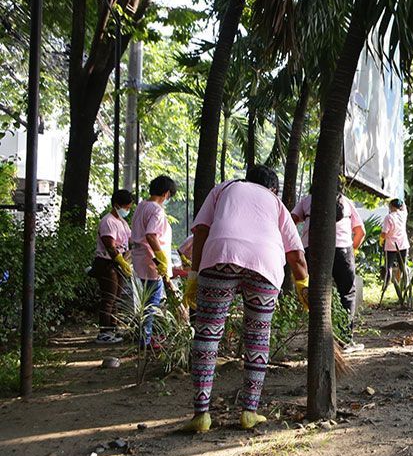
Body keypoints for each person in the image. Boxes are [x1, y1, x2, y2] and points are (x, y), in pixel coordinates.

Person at [180, 166, 309, 433]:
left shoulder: (225, 188)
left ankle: (201, 415)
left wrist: (194, 275)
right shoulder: (275, 202)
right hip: (265, 262)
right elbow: (295, 253)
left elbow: (201, 231)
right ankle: (249, 412)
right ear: (272, 188)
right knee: (258, 337)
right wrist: (302, 284)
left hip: (219, 255)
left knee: (207, 334)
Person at [292, 190, 366, 351]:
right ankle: (345, 340)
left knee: (315, 293)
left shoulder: (308, 200)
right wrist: (352, 250)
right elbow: (361, 232)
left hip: (312, 249)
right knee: (347, 293)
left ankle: (316, 340)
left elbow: (292, 220)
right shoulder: (346, 201)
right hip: (342, 250)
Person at [129, 175, 177, 350]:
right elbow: (151, 235)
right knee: (152, 302)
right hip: (152, 261)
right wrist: (161, 258)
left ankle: (145, 336)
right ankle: (145, 340)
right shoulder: (156, 210)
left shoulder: (141, 206)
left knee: (146, 301)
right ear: (165, 193)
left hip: (141, 259)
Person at [93, 189, 134, 344]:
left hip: (118, 263)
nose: (127, 211)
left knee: (116, 298)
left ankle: (113, 328)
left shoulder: (122, 222)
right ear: (117, 205)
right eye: (126, 207)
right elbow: (110, 246)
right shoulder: (108, 221)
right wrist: (120, 260)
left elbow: (129, 241)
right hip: (107, 263)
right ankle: (104, 331)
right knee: (109, 297)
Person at [380, 198, 410, 303]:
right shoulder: (403, 214)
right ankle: (406, 285)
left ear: (391, 206)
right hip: (403, 244)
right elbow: (404, 206)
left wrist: (381, 239)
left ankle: (385, 286)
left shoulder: (389, 217)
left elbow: (384, 233)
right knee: (403, 266)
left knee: (388, 266)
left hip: (391, 245)